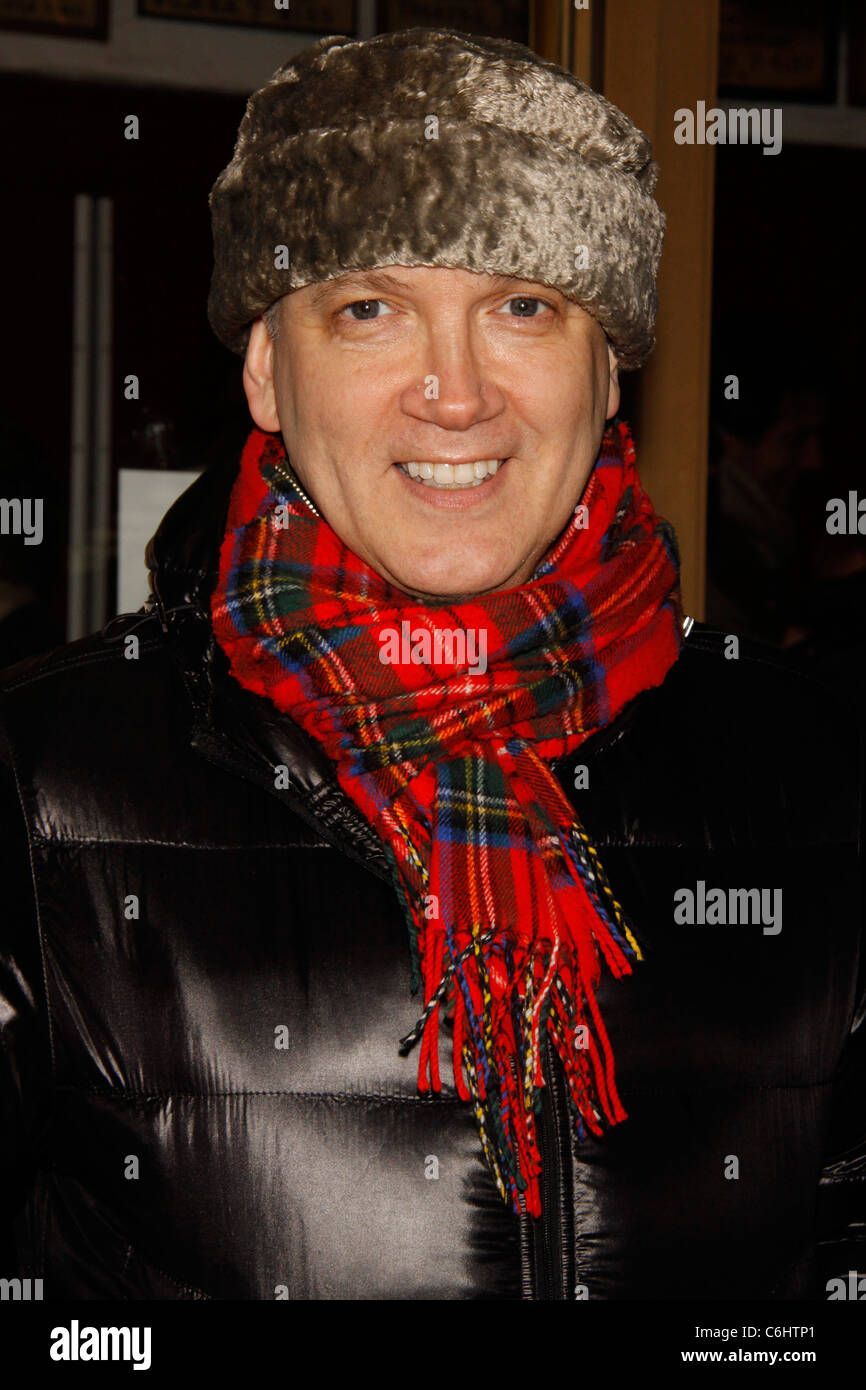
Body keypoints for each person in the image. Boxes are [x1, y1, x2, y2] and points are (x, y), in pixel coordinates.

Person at [0, 27, 862, 1302]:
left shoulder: (823, 767)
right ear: (264, 369)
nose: (453, 392)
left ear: (608, 364)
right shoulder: (43, 780)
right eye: (368, 310)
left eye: (522, 306)